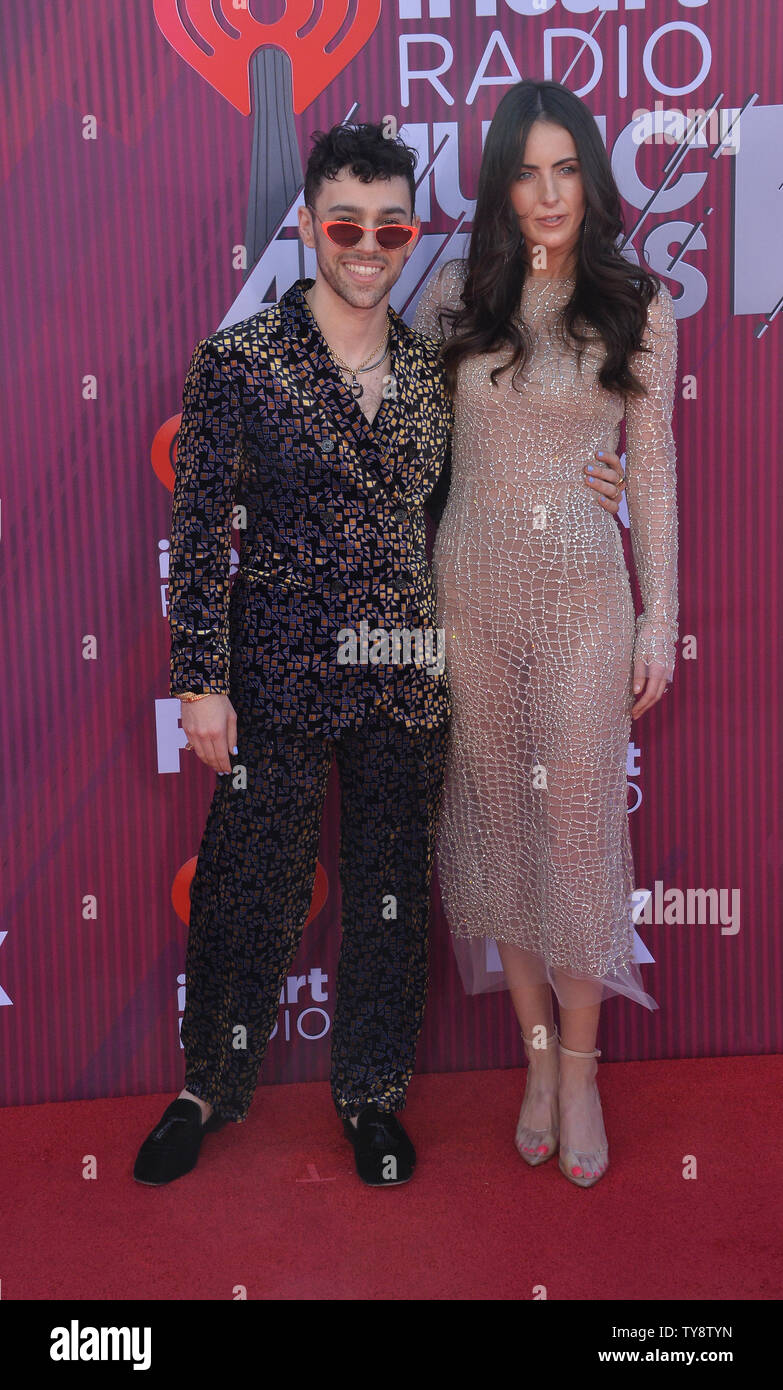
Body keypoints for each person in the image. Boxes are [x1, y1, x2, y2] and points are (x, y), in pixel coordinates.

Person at [133, 119, 624, 1190]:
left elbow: (494, 485)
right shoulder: (239, 361)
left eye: (389, 226)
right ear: (309, 225)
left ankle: (370, 1095)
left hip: (408, 668)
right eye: (344, 223)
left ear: (411, 234)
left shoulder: (436, 366)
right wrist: (200, 682)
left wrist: (600, 481)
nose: (368, 246)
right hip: (273, 668)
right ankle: (206, 1086)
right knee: (248, 885)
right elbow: (200, 527)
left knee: (392, 892)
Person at [413, 80, 678, 1188]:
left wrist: (660, 613)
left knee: (575, 841)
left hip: (583, 606)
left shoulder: (636, 305)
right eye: (528, 169)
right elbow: (412, 457)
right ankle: (532, 1059)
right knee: (502, 840)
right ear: (502, 185)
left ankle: (580, 1068)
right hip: (469, 603)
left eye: (567, 168)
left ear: (594, 179)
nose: (549, 191)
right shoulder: (455, 299)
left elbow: (653, 471)